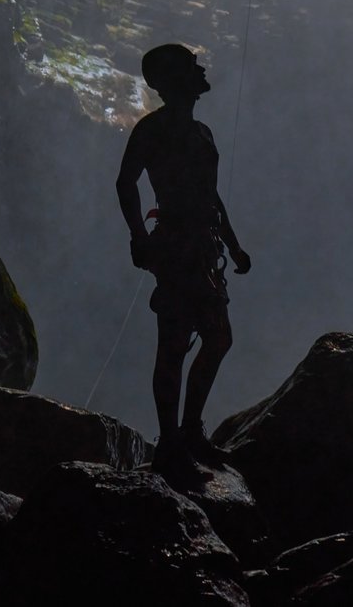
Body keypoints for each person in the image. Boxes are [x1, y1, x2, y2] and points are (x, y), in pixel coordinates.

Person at [115, 43, 252, 466]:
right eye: (193, 66)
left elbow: (212, 197)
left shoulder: (202, 132)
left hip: (202, 247)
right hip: (175, 245)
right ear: (175, 79)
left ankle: (188, 431)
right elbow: (126, 182)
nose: (201, 70)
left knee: (218, 337)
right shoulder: (152, 129)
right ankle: (173, 440)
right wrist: (139, 236)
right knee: (174, 345)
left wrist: (232, 243)